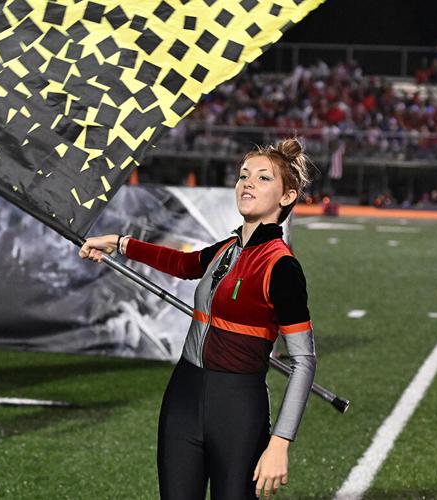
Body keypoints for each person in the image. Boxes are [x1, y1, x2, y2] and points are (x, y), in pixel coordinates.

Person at [80, 139, 317, 499]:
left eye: (263, 178)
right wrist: (119, 242)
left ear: (287, 196)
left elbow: (303, 361)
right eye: (243, 175)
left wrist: (280, 443)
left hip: (238, 410)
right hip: (183, 399)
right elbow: (183, 264)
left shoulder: (281, 267)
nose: (247, 183)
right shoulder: (226, 249)